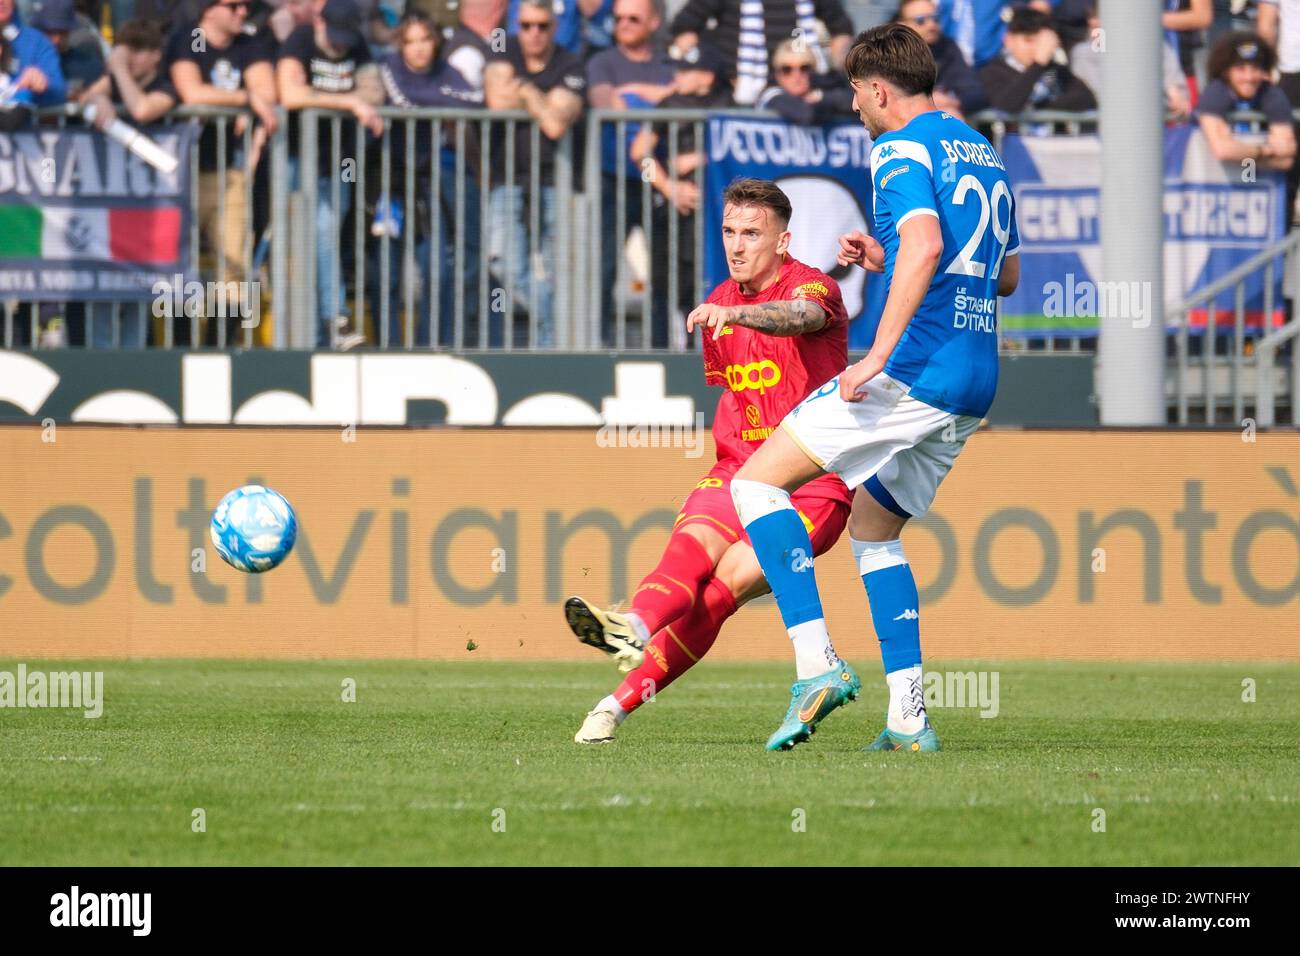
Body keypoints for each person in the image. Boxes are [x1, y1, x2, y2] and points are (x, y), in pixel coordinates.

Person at [724, 23, 1020, 752]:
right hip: (975, 377)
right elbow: (1004, 274)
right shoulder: (981, 149)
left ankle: (816, 664)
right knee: (874, 527)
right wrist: (889, 258)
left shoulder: (898, 148)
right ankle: (909, 718)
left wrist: (875, 356)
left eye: (856, 93)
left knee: (755, 484)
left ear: (880, 90)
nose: (854, 107)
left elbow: (927, 244)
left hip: (916, 368)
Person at [567, 178, 861, 745]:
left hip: (813, 482)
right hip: (742, 466)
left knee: (720, 590)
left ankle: (617, 702)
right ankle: (630, 628)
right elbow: (740, 392)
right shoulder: (720, 299)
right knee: (689, 550)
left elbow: (801, 317)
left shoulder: (813, 287)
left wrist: (741, 316)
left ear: (783, 241)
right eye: (729, 231)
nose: (737, 245)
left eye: (751, 233)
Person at [369, 9, 485, 347]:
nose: (419, 48)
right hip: (388, 183)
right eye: (411, 42)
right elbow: (403, 103)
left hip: (424, 184)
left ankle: (428, 345)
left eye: (425, 40)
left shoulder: (445, 70)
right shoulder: (389, 65)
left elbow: (475, 101)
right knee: (386, 273)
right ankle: (388, 348)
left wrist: (435, 100)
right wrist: (442, 101)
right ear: (401, 45)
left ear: (435, 42)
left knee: (438, 271)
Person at [168, 0, 278, 346]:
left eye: (244, 6)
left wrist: (250, 100)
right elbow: (192, 93)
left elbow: (268, 93)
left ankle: (219, 349)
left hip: (230, 172)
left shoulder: (249, 43)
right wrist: (244, 98)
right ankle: (180, 349)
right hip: (182, 173)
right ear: (209, 9)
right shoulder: (190, 39)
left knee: (234, 267)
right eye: (233, 6)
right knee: (178, 265)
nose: (242, 12)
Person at [278, 0, 385, 348]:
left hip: (342, 160)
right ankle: (329, 324)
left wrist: (321, 97)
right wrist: (349, 101)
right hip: (295, 158)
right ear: (320, 22)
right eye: (335, 38)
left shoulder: (357, 43)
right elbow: (290, 94)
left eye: (346, 40)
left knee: (325, 236)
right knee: (308, 241)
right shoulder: (300, 39)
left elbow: (374, 92)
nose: (340, 47)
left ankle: (324, 332)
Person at [483, 0, 586, 348]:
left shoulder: (570, 62)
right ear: (517, 25)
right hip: (507, 178)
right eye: (526, 26)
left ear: (553, 27)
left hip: (558, 182)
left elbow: (556, 125)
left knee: (560, 273)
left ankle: (551, 351)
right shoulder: (503, 48)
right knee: (503, 264)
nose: (534, 33)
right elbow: (497, 101)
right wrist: (541, 98)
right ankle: (552, 328)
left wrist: (524, 90)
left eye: (542, 26)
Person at [79, 17, 177, 349]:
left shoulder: (166, 86)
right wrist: (99, 99)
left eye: (137, 51)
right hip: (110, 203)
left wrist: (118, 70)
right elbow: (84, 100)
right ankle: (101, 359)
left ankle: (133, 358)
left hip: (152, 205)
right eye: (125, 50)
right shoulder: (112, 83)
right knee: (104, 286)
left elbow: (142, 109)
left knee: (138, 290)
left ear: (156, 55)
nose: (130, 58)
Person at [588, 0, 677, 348]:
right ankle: (599, 344)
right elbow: (605, 103)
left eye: (633, 18)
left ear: (654, 22)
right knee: (605, 266)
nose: (623, 24)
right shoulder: (602, 61)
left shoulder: (667, 65)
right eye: (618, 18)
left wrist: (638, 94)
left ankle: (662, 346)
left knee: (663, 270)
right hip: (614, 179)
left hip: (658, 180)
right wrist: (662, 99)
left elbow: (685, 96)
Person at [669, 0, 856, 105]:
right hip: (738, 98)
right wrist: (713, 73)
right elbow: (685, 28)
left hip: (800, 93)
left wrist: (832, 74)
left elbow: (842, 30)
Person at [1069, 1, 1190, 121]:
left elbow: (1179, 98)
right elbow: (1110, 100)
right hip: (1107, 124)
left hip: (1156, 122)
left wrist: (1173, 90)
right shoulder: (1084, 53)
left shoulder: (1154, 46)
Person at [1196, 32, 1295, 173]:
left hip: (1257, 184)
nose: (1249, 77)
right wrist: (1265, 150)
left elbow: (1285, 159)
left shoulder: (1271, 93)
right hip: (1212, 183)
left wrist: (1237, 150)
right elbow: (1222, 151)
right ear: (1226, 72)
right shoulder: (1216, 91)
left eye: (1255, 69)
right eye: (1240, 69)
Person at [977, 6, 1095, 115]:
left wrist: (1039, 108)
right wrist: (1038, 65)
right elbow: (1007, 106)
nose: (1036, 48)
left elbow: (1085, 99)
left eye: (1042, 41)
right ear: (1008, 40)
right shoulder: (993, 72)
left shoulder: (1055, 71)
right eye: (1028, 40)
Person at [896, 0, 988, 120]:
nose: (931, 25)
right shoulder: (888, 53)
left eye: (935, 18)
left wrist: (952, 102)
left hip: (941, 114)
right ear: (902, 25)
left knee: (949, 114)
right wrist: (927, 99)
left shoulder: (947, 49)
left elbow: (975, 93)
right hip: (900, 121)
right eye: (920, 20)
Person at [757, 37, 857, 124]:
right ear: (778, 75)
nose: (797, 75)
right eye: (787, 69)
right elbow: (805, 113)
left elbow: (857, 102)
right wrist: (826, 102)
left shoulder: (819, 92)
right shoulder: (771, 95)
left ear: (814, 70)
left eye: (804, 68)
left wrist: (821, 97)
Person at [29, 0, 103, 100]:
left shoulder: (88, 66)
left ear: (69, 30)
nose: (56, 40)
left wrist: (88, 95)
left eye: (61, 32)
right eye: (49, 32)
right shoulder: (22, 62)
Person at [0, 0, 67, 108]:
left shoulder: (37, 42)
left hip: (21, 117)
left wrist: (40, 84)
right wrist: (17, 87)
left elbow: (58, 93)